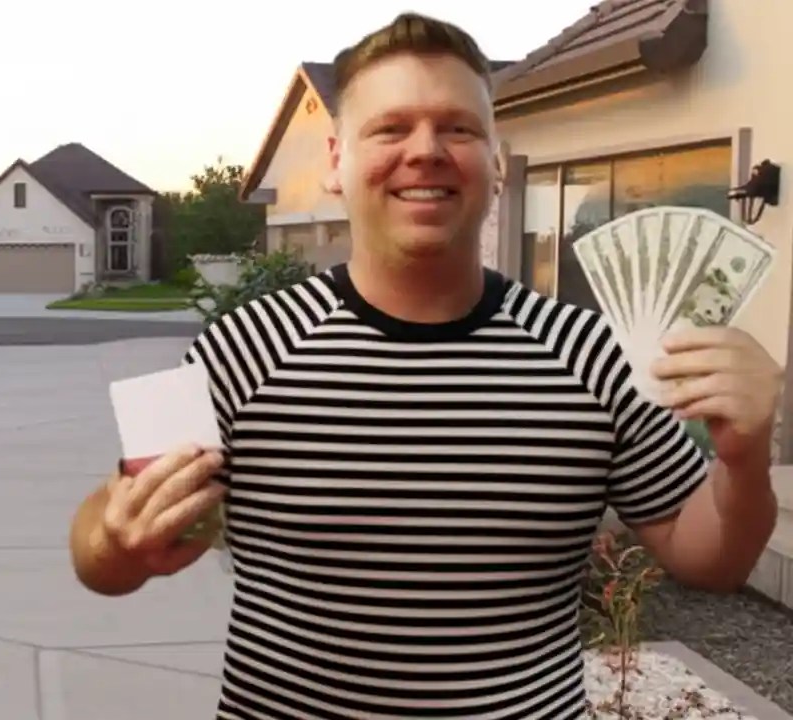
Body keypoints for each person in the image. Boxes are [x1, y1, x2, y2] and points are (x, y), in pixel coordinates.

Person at [69, 12, 783, 719]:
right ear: (337, 163)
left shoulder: (587, 354)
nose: (427, 150)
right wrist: (115, 537)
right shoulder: (242, 349)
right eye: (390, 128)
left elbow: (710, 560)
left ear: (496, 164)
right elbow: (103, 552)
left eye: (459, 128)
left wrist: (744, 458)